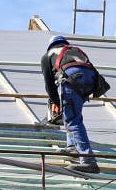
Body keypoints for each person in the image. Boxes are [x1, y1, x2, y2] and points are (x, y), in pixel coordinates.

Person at [41, 35, 102, 174]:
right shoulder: (74, 50)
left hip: (71, 77)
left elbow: (49, 86)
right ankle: (73, 146)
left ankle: (88, 161)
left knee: (72, 120)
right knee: (74, 114)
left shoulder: (48, 55)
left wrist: (57, 103)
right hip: (91, 80)